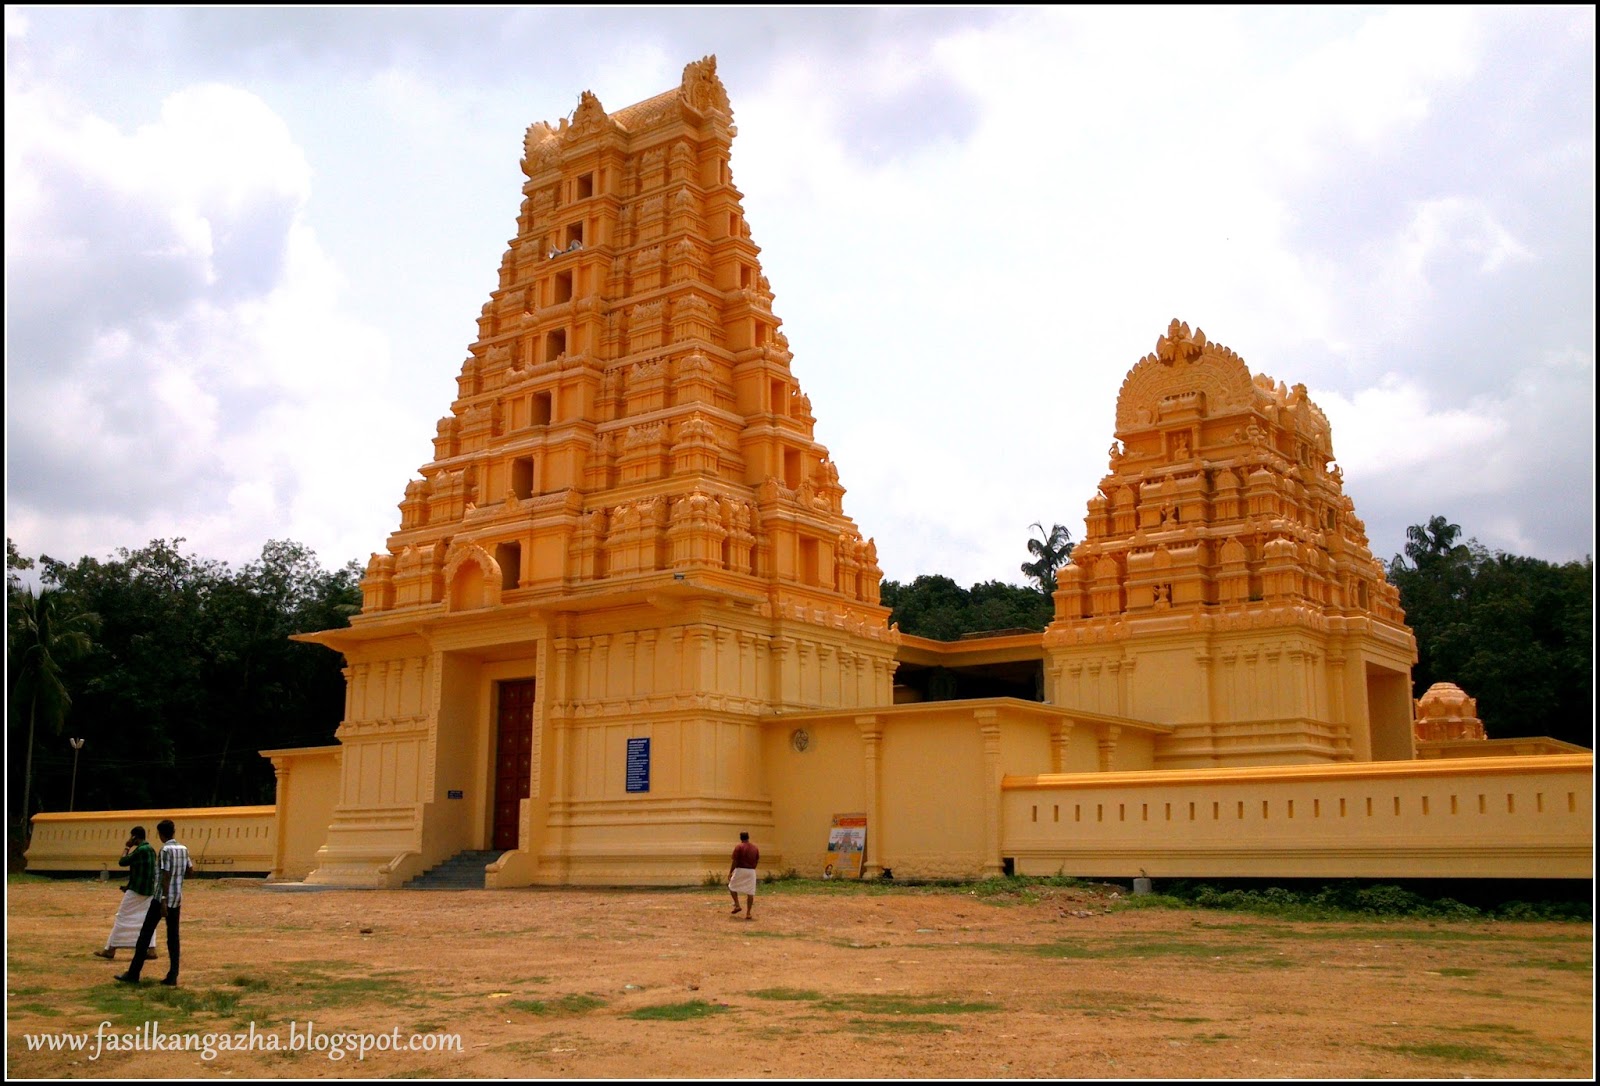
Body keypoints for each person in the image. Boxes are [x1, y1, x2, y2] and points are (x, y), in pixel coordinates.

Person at [116, 819, 192, 986]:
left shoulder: (165, 850)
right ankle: (173, 975)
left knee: (145, 935)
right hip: (177, 899)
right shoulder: (183, 849)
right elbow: (190, 870)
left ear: (161, 834)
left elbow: (165, 875)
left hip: (161, 900)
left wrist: (164, 898)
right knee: (173, 938)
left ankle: (133, 973)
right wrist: (178, 878)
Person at [93, 826, 159, 961]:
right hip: (148, 891)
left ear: (135, 837)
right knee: (146, 920)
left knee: (121, 917)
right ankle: (151, 949)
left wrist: (127, 847)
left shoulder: (140, 850)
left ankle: (110, 949)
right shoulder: (151, 849)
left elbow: (122, 862)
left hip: (137, 890)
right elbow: (143, 871)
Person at [727, 831, 759, 920]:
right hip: (751, 871)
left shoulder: (739, 847)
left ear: (741, 838)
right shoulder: (755, 848)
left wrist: (730, 872)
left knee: (731, 887)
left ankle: (737, 905)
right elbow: (756, 860)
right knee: (750, 892)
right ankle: (748, 913)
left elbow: (735, 861)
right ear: (748, 837)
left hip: (740, 869)